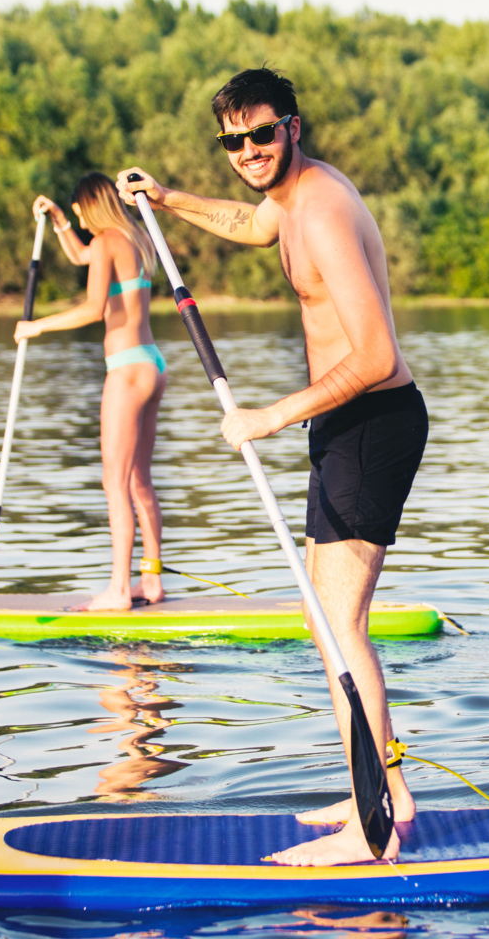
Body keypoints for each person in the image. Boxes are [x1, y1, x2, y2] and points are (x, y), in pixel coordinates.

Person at [120, 67, 427, 867]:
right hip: (341, 424)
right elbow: (253, 226)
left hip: (372, 424)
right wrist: (168, 199)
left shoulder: (322, 209)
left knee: (339, 625)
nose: (248, 152)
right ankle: (385, 794)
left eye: (261, 134)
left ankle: (375, 827)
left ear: (294, 126)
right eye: (233, 141)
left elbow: (378, 356)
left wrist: (267, 416)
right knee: (323, 623)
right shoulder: (287, 201)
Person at [15, 173, 168, 611]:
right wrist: (59, 220)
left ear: (91, 205)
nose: (80, 221)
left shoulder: (106, 240)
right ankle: (150, 581)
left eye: (78, 212)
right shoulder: (133, 236)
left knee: (113, 482)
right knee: (139, 481)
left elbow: (92, 308)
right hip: (153, 363)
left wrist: (36, 326)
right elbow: (84, 255)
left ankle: (119, 590)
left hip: (125, 371)